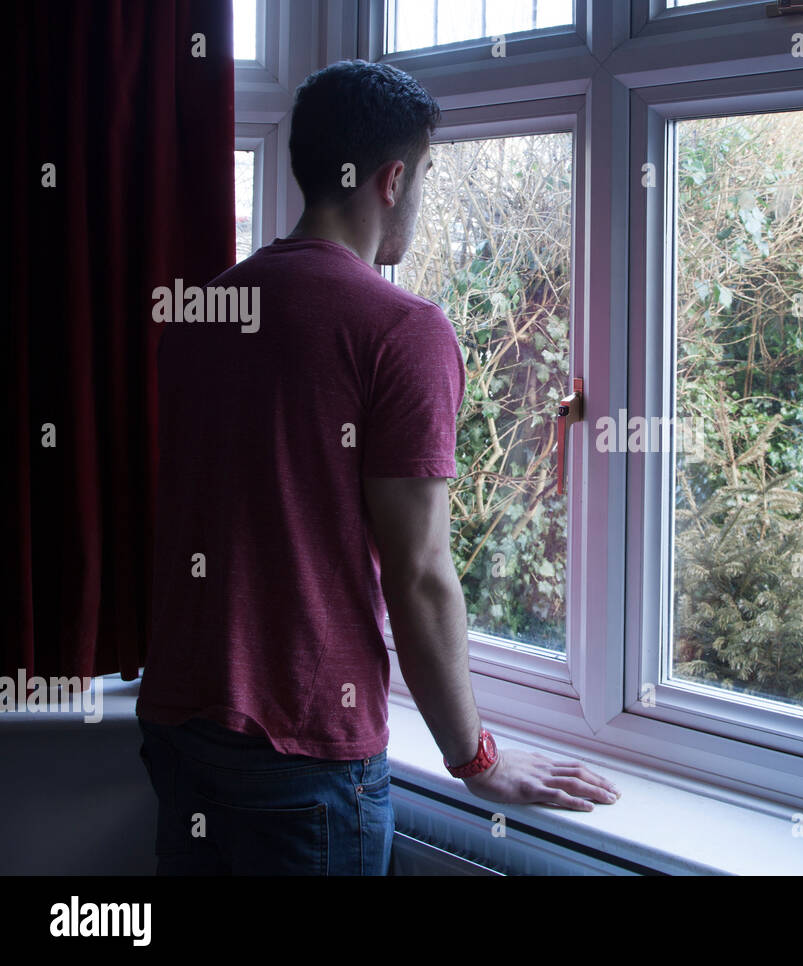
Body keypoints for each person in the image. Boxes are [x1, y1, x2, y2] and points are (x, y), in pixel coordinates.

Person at [136, 59, 619, 876]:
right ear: (393, 180)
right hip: (303, 750)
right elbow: (420, 572)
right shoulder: (401, 330)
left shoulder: (202, 312)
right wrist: (476, 757)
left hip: (180, 726)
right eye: (425, 174)